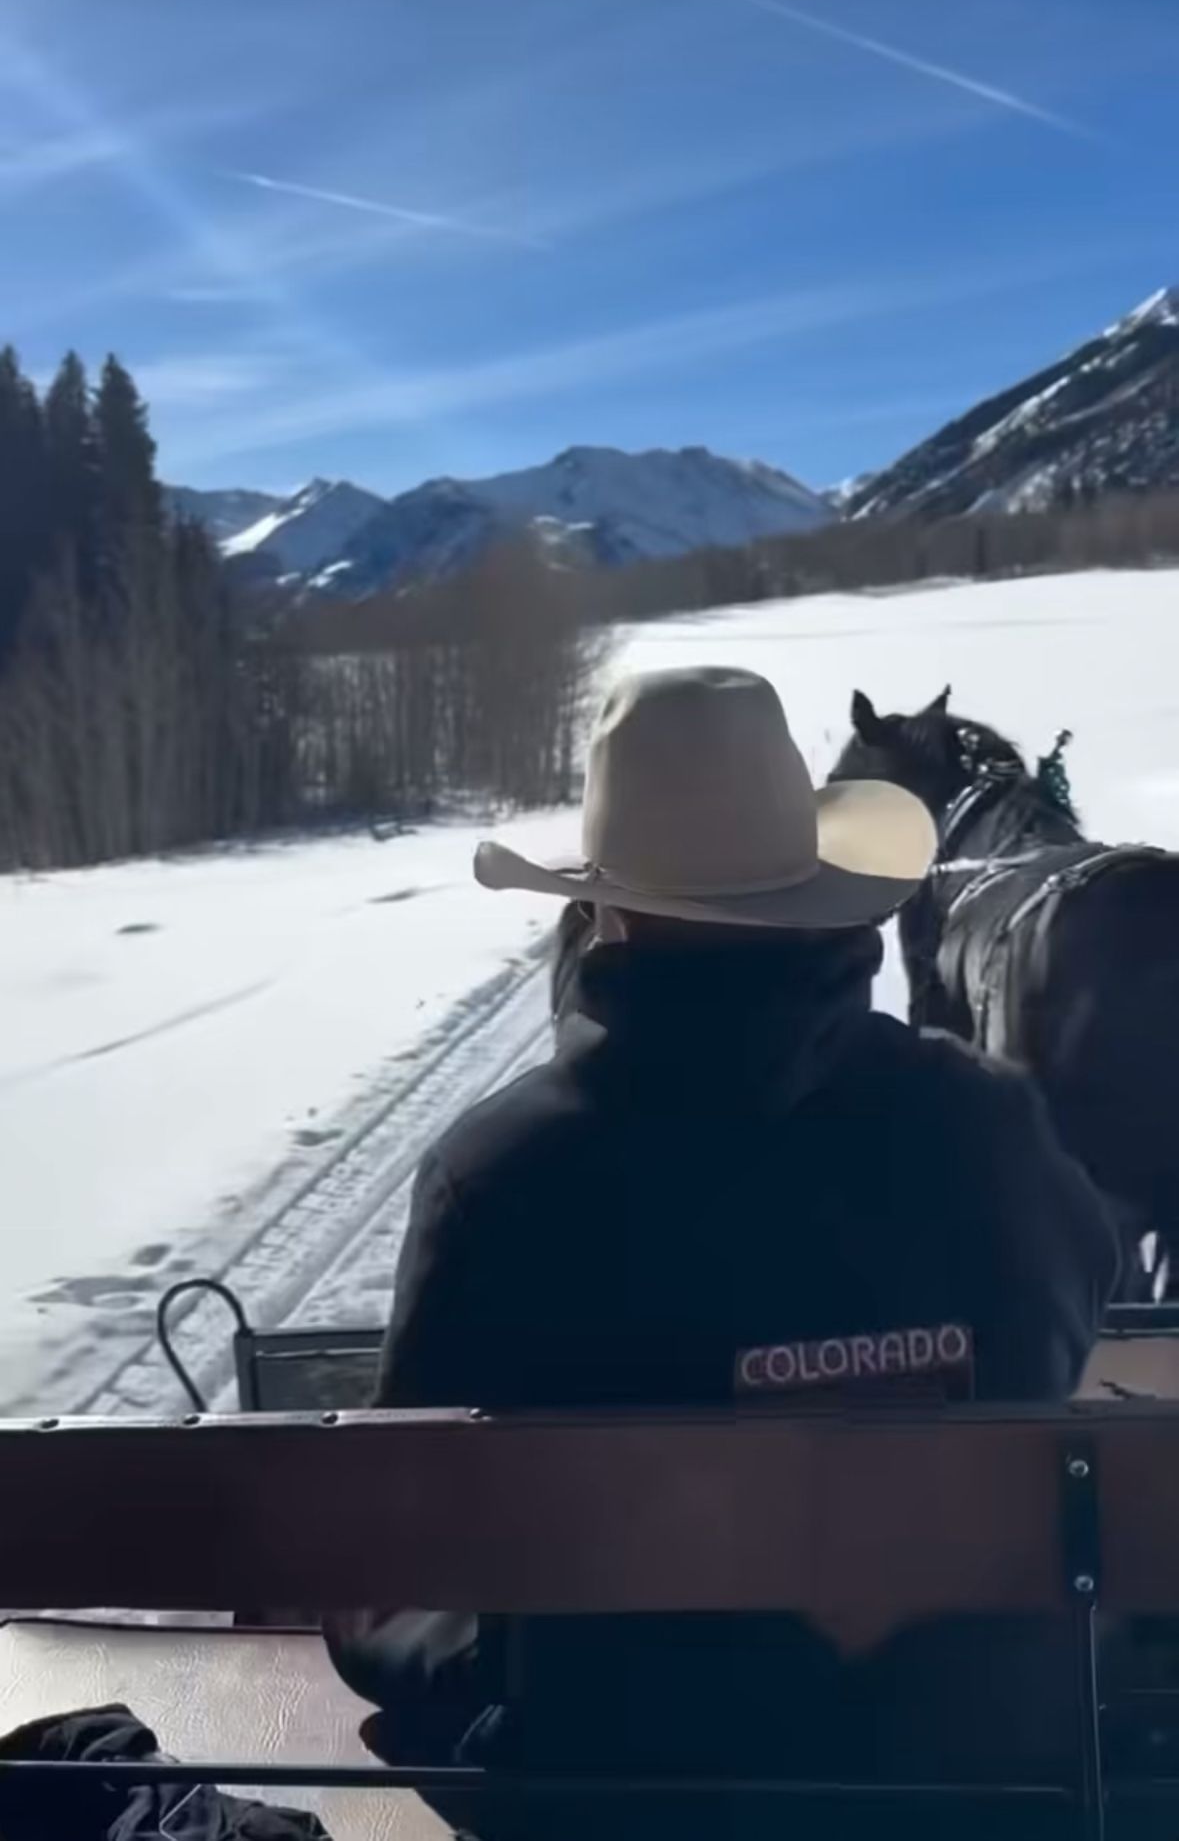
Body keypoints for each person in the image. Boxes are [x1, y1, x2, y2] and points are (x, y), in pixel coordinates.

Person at [329, 667, 1118, 1827]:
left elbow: (412, 1533)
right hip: (975, 1779)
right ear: (813, 888)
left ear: (608, 908)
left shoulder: (499, 1177)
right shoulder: (986, 1123)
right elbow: (1062, 1338)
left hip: (632, 1794)